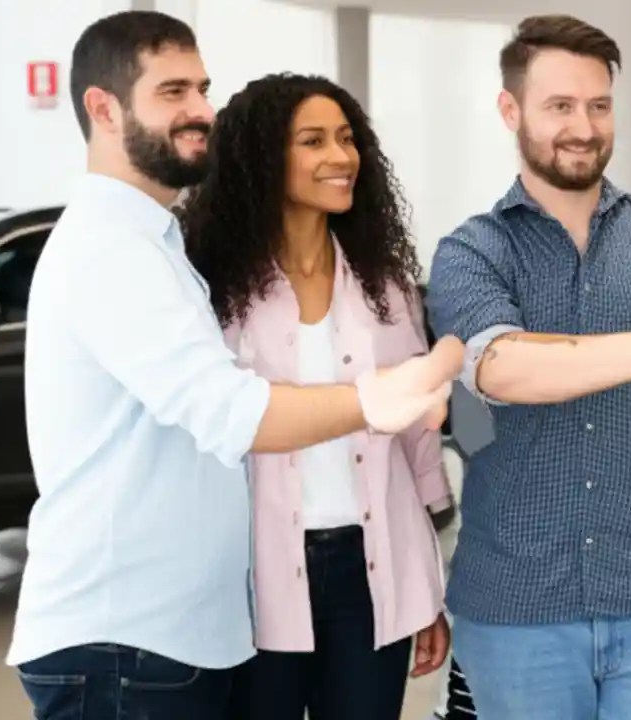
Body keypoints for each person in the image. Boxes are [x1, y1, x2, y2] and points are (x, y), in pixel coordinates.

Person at [7, 12, 460, 720]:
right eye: (172, 91)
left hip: (181, 631)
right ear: (103, 108)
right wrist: (375, 398)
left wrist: (424, 575)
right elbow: (232, 411)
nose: (200, 111)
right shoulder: (119, 252)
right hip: (127, 638)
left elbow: (415, 450)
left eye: (202, 88)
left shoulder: (154, 245)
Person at [425, 14, 631, 720]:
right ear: (510, 110)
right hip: (516, 613)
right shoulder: (471, 252)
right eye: (559, 107)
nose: (583, 126)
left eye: (598, 105)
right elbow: (500, 367)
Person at [181, 73, 451, 720]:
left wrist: (426, 588)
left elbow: (415, 433)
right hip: (250, 574)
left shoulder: (385, 286)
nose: (341, 156)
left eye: (347, 138)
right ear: (262, 159)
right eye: (313, 141)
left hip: (372, 570)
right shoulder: (209, 287)